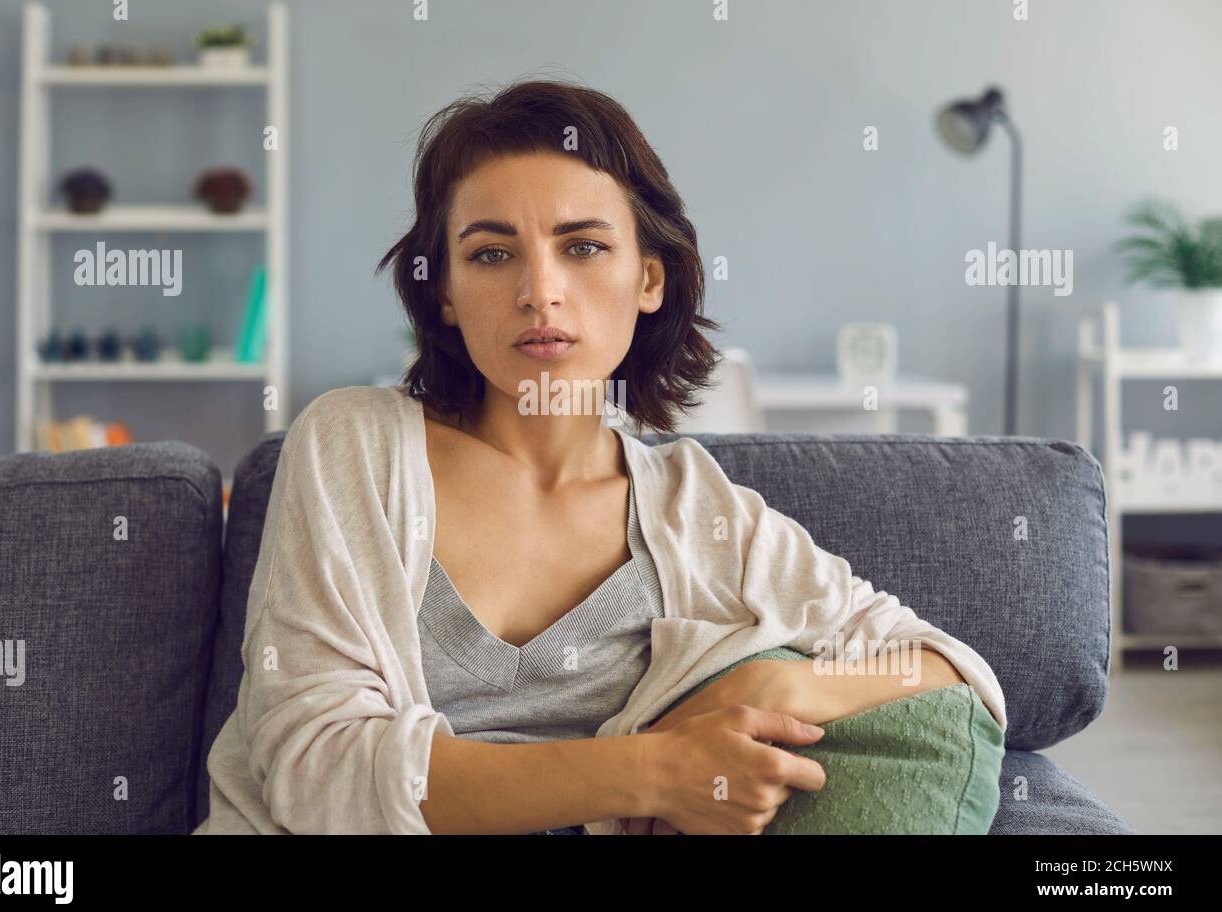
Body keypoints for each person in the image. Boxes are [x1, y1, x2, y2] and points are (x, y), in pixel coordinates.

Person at [196, 78, 1006, 836]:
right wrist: (651, 773)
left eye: (582, 247)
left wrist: (782, 684)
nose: (538, 291)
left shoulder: (699, 512)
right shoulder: (355, 444)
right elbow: (314, 766)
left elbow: (950, 669)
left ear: (649, 278)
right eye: (490, 253)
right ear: (442, 291)